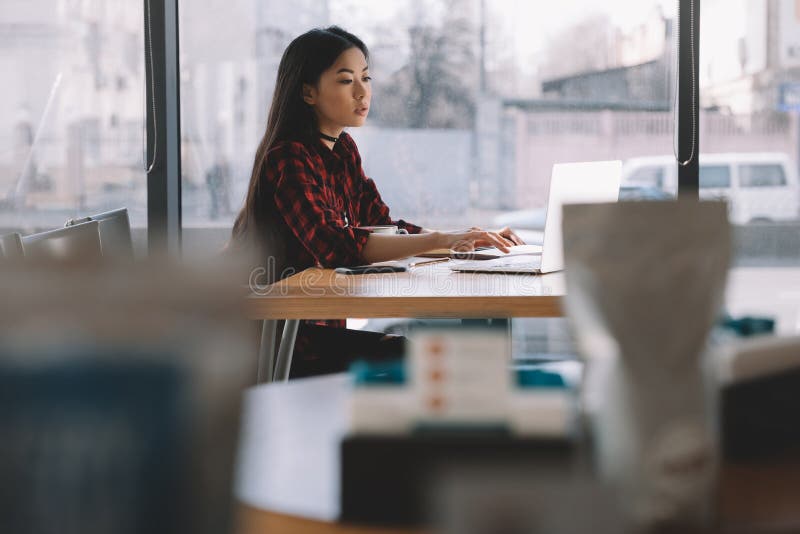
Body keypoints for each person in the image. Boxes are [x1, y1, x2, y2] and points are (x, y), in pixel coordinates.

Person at [230, 26, 524, 378]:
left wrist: (464, 240)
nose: (362, 92)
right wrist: (442, 241)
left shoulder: (342, 150)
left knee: (416, 355)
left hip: (314, 332)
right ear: (308, 92)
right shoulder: (289, 156)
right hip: (279, 340)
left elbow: (382, 225)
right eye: (345, 80)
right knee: (415, 358)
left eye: (366, 78)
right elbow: (333, 245)